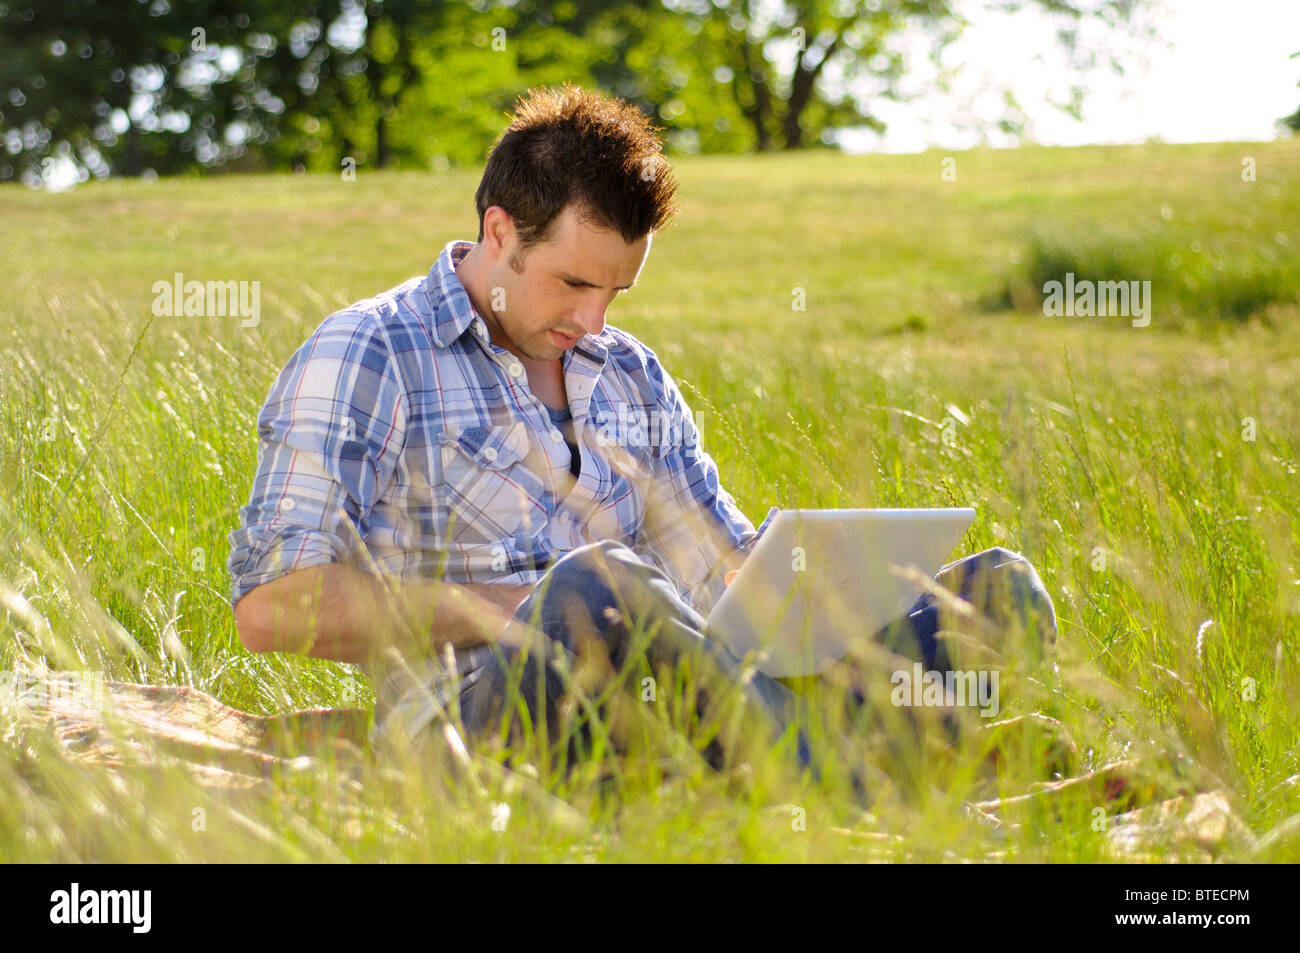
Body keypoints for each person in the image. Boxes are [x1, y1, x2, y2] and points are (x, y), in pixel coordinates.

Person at [226, 83, 1057, 789]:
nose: (593, 319)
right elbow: (273, 608)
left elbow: (716, 570)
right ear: (500, 231)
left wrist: (816, 590)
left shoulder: (628, 373)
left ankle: (824, 751)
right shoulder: (369, 351)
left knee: (996, 593)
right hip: (477, 730)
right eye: (575, 282)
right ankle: (856, 774)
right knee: (600, 584)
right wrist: (529, 612)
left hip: (677, 697)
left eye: (617, 291)